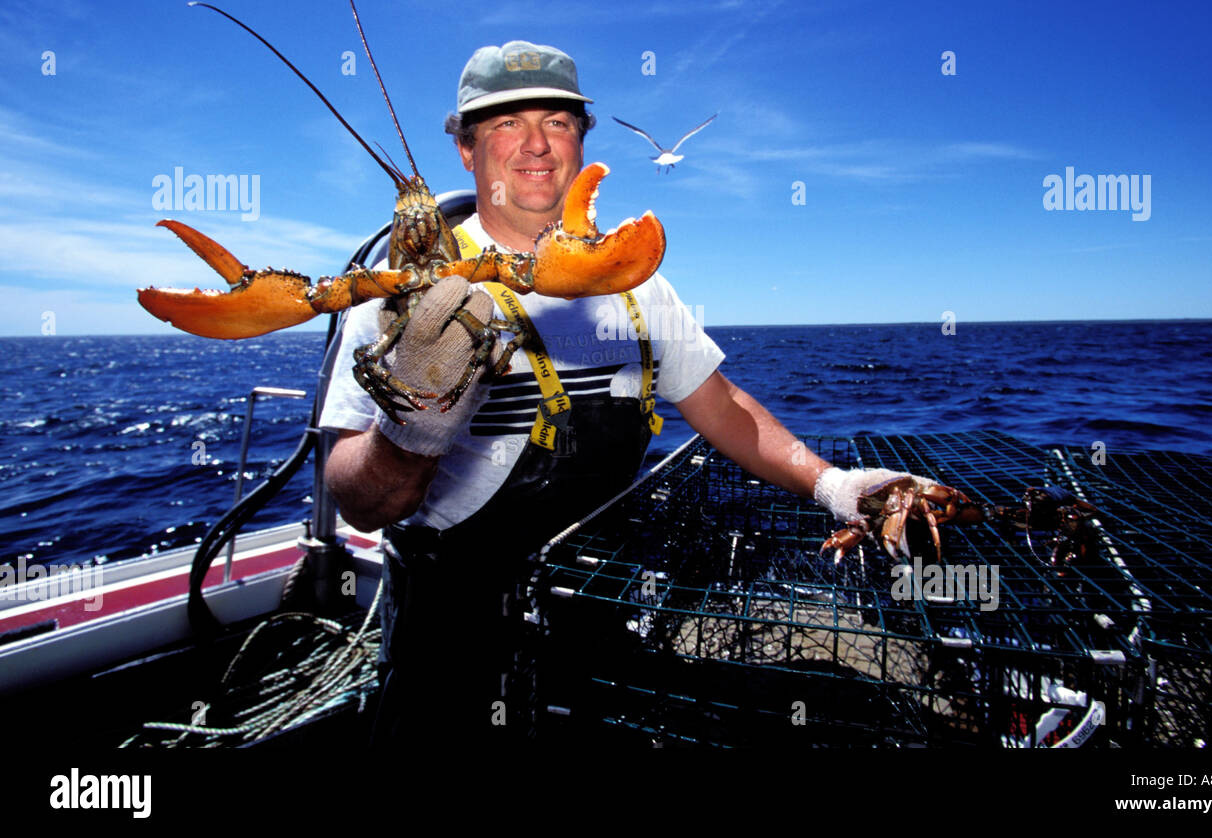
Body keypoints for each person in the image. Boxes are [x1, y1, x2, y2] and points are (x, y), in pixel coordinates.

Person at [320, 40, 936, 745]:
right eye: (504, 125)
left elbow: (721, 407)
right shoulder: (397, 297)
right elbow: (362, 504)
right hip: (453, 632)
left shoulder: (634, 281)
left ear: (582, 140)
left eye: (556, 122)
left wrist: (833, 486)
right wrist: (412, 431)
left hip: (602, 609)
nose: (535, 146)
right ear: (465, 149)